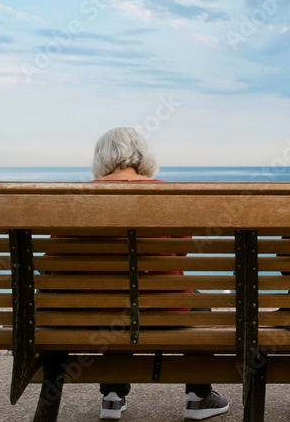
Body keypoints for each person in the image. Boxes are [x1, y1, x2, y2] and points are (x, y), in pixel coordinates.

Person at [88, 127, 230, 421]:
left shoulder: (80, 197)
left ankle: (112, 397)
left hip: (102, 311)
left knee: (116, 298)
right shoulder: (168, 194)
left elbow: (54, 258)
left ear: (101, 157)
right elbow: (180, 254)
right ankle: (198, 397)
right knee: (198, 301)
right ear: (143, 155)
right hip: (168, 307)